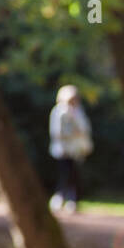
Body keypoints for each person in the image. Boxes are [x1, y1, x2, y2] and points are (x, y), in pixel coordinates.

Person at [49, 84, 93, 213]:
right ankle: (60, 199)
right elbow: (57, 132)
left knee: (74, 175)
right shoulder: (59, 112)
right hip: (63, 151)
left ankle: (72, 200)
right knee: (64, 175)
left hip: (76, 150)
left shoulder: (78, 111)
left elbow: (85, 129)